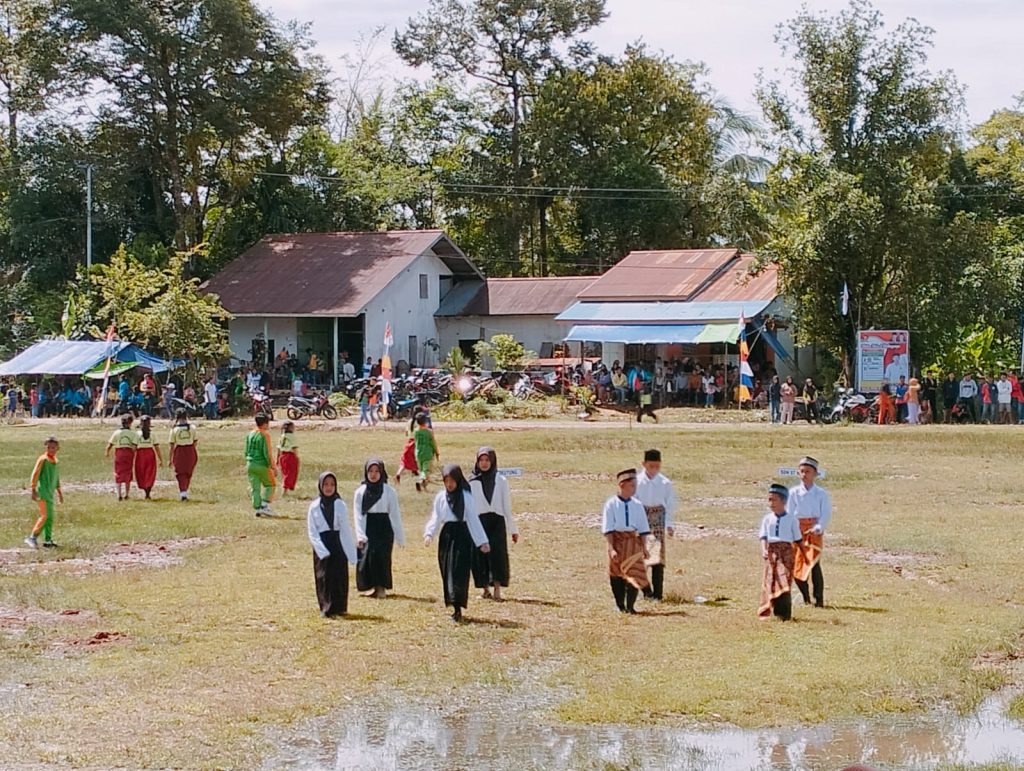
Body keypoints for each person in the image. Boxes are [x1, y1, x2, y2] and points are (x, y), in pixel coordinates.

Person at [423, 463, 490, 622]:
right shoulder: (441, 497)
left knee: (459, 571)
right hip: (447, 537)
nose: (449, 484)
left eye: (452, 480)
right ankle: (452, 603)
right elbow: (436, 517)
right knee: (448, 571)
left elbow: (473, 520)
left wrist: (482, 541)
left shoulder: (466, 497)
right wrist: (429, 533)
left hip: (462, 536)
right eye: (446, 481)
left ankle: (458, 606)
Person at [470, 447, 519, 601]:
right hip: (479, 522)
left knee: (497, 555)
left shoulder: (501, 480)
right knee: (480, 556)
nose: (484, 464)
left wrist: (513, 529)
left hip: (497, 521)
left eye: (487, 460)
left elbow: (507, 507)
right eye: (481, 460)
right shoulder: (472, 481)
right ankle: (485, 589)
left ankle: (497, 589)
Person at [307, 471, 357, 617]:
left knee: (338, 575)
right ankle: (326, 607)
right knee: (323, 577)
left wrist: (351, 553)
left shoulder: (339, 504)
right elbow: (312, 531)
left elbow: (345, 529)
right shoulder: (314, 506)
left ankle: (340, 607)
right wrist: (321, 550)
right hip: (322, 544)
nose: (329, 488)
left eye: (332, 484)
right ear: (320, 486)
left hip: (337, 542)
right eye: (326, 484)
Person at [354, 458, 404, 599]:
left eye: (377, 471)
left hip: (384, 526)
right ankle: (372, 587)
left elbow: (394, 514)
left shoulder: (389, 491)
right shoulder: (360, 492)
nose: (373, 474)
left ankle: (381, 587)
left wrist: (400, 536)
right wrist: (360, 535)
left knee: (381, 557)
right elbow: (358, 515)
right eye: (370, 471)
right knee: (367, 557)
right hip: (368, 525)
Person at [602, 469, 651, 614]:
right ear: (622, 485)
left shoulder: (637, 505)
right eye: (632, 486)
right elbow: (608, 528)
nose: (634, 489)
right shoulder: (611, 504)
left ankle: (631, 606)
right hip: (617, 540)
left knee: (634, 573)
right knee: (616, 574)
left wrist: (644, 547)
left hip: (632, 542)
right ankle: (620, 605)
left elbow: (642, 528)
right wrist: (611, 548)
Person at [787, 456, 832, 608]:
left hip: (814, 530)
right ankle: (806, 597)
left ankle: (819, 599)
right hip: (797, 529)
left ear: (815, 474)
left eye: (808, 471)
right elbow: (789, 512)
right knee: (797, 564)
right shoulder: (793, 493)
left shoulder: (821, 494)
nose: (805, 474)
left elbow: (825, 512)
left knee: (813, 563)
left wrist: (819, 527)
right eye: (802, 471)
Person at [634, 449, 677, 601]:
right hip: (641, 518)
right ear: (644, 464)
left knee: (657, 557)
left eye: (657, 467)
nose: (654, 470)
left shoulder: (665, 483)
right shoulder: (637, 482)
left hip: (658, 519)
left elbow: (670, 504)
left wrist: (669, 524)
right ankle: (645, 592)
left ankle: (658, 594)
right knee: (640, 556)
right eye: (651, 466)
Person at [758, 483, 802, 621]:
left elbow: (798, 539)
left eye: (774, 500)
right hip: (772, 552)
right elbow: (763, 537)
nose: (771, 503)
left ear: (784, 501)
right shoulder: (767, 519)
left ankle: (784, 614)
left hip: (786, 552)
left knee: (784, 580)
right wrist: (764, 550)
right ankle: (768, 609)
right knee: (770, 580)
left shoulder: (791, 519)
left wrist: (805, 554)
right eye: (769, 500)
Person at [24, 436, 63, 549]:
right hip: (42, 492)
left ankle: (48, 540)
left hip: (50, 492)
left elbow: (56, 477)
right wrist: (33, 488)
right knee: (45, 515)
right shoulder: (43, 459)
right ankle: (32, 537)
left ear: (58, 448)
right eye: (49, 447)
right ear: (45, 447)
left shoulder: (55, 461)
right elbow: (35, 473)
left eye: (53, 447)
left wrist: (59, 492)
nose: (51, 449)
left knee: (50, 517)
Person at [245, 414, 277, 517]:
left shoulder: (250, 434)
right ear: (264, 424)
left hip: (250, 464)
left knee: (255, 488)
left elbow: (246, 451)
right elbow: (267, 453)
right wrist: (273, 467)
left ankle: (257, 507)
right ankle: (264, 505)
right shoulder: (264, 435)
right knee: (270, 485)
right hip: (261, 465)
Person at [105, 414, 138, 501]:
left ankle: (119, 494)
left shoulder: (117, 432)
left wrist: (107, 452)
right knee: (128, 472)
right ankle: (127, 494)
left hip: (119, 452)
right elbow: (134, 447)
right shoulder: (133, 433)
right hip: (128, 452)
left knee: (118, 472)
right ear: (130, 423)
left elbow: (110, 444)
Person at [168, 409, 199, 501]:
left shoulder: (174, 430)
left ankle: (183, 492)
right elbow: (195, 441)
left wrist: (170, 459)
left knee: (180, 472)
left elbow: (171, 446)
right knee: (188, 472)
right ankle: (184, 491)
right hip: (190, 450)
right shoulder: (192, 428)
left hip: (180, 451)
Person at [134, 415, 163, 499]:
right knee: (150, 472)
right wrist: (160, 459)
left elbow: (134, 447)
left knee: (141, 471)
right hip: (150, 453)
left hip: (140, 454)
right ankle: (148, 490)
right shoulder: (152, 434)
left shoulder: (137, 434)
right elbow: (157, 447)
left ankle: (144, 487)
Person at [413, 413, 439, 492]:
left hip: (418, 453)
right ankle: (420, 481)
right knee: (426, 471)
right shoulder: (429, 432)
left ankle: (424, 487)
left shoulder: (416, 431)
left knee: (422, 470)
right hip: (427, 453)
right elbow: (433, 443)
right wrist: (437, 452)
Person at [277, 421, 300, 496]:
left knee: (285, 472)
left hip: (282, 456)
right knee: (291, 473)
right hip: (290, 456)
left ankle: (287, 488)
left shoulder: (282, 436)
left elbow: (279, 448)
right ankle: (285, 490)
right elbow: (294, 447)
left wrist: (277, 459)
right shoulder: (291, 436)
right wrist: (297, 457)